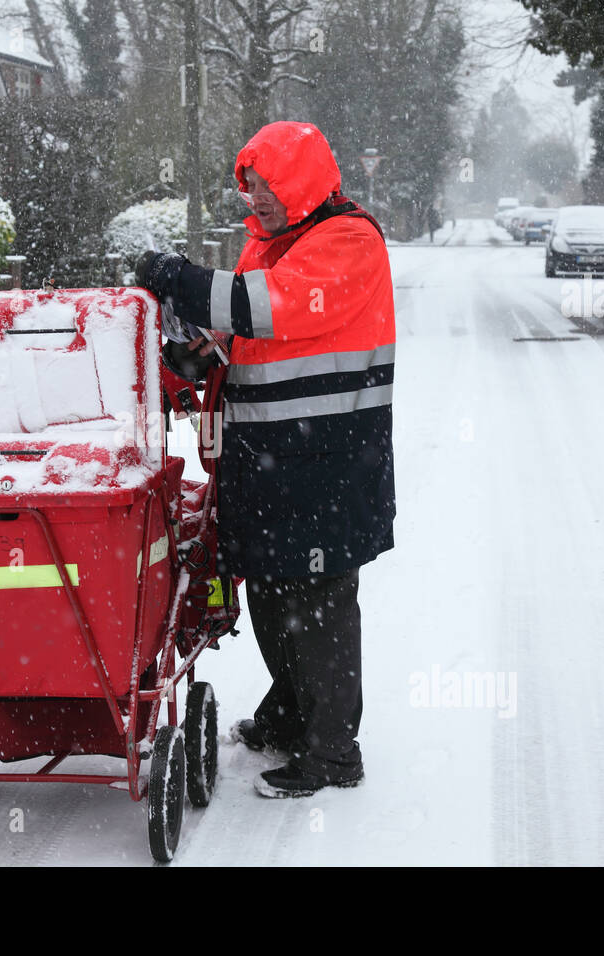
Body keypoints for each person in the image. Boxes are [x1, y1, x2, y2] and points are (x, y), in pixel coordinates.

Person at [135, 121, 396, 798]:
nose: (258, 204)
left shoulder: (347, 240)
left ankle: (334, 750)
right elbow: (235, 335)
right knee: (273, 593)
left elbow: (263, 309)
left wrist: (177, 277)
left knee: (320, 603)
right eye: (250, 191)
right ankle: (289, 713)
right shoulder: (268, 244)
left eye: (268, 190)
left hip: (328, 461)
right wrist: (190, 356)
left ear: (302, 181)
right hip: (272, 461)